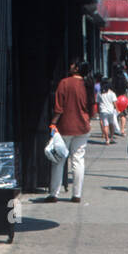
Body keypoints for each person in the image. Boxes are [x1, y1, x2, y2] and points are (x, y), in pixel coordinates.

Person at [46, 59, 91, 204]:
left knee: (59, 160)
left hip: (65, 126)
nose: (70, 66)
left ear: (76, 68)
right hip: (83, 126)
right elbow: (91, 107)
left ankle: (54, 193)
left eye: (73, 64)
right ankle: (77, 194)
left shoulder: (64, 83)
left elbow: (59, 108)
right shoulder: (87, 84)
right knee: (78, 160)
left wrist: (53, 123)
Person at [97, 76, 118, 145]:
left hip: (103, 110)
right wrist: (117, 109)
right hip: (111, 111)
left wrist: (98, 110)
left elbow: (98, 103)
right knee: (111, 124)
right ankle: (111, 138)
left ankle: (107, 139)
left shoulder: (99, 93)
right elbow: (115, 103)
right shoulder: (112, 93)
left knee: (105, 125)